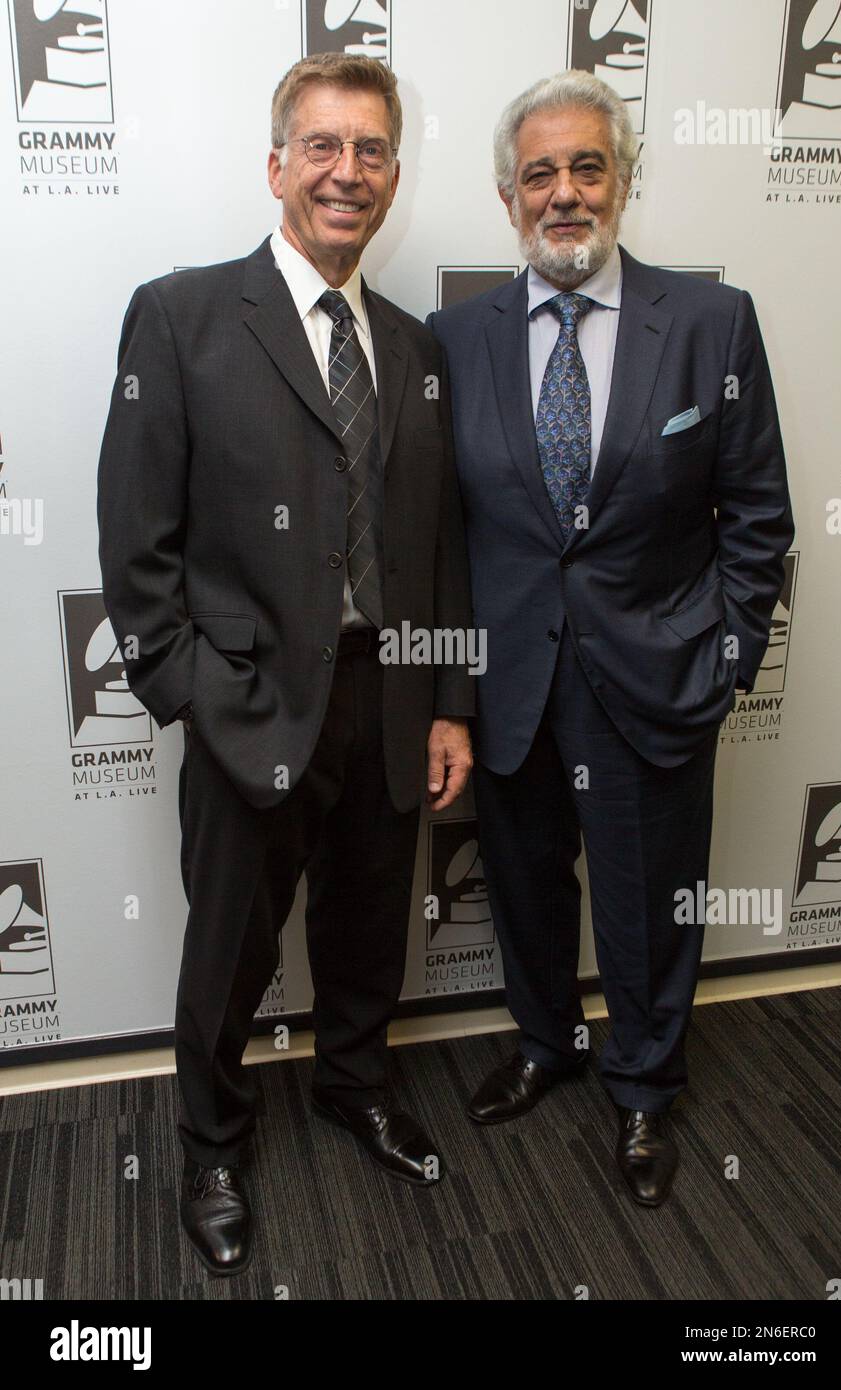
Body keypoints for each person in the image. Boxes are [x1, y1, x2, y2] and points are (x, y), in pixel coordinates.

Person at [97, 53, 474, 1275]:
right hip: (245, 704)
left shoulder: (415, 349)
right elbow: (136, 543)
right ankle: (210, 1142)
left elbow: (439, 545)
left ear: (394, 179)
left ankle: (351, 1083)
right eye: (321, 146)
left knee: (370, 924)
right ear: (276, 165)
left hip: (389, 694)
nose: (345, 172)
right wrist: (195, 695)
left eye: (368, 151)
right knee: (230, 948)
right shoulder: (183, 314)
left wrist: (445, 698)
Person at [427, 70, 794, 1207]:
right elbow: (440, 530)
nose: (564, 192)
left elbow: (758, 515)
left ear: (623, 181)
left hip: (654, 677)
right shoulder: (454, 338)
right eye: (539, 172)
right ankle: (547, 1044)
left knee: (647, 896)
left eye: (588, 166)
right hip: (512, 681)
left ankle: (642, 1086)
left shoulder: (708, 322)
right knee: (528, 886)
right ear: (505, 197)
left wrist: (723, 655)